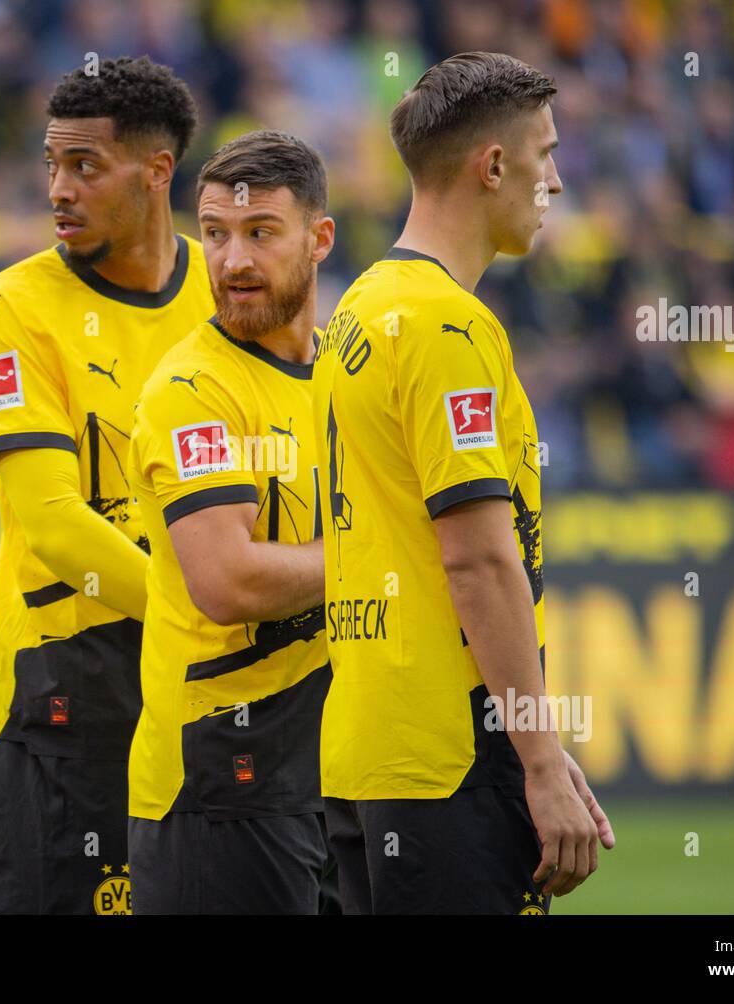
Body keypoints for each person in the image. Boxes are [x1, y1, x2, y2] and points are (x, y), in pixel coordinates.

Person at [312, 51, 615, 914]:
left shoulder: (360, 310)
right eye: (545, 154)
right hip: (448, 763)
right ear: (493, 166)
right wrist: (540, 760)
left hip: (364, 755)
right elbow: (479, 563)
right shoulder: (448, 325)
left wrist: (536, 749)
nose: (554, 178)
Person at [0, 56, 214, 914]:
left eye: (84, 166)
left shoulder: (229, 299)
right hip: (63, 698)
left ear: (156, 172)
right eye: (51, 164)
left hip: (212, 690)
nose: (57, 190)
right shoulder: (13, 307)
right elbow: (54, 526)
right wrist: (211, 607)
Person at [126, 131, 336, 913]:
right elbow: (228, 580)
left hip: (327, 762)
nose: (231, 261)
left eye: (259, 234)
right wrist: (380, 553)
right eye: (213, 234)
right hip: (217, 776)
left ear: (319, 239)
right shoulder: (193, 389)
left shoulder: (349, 375)